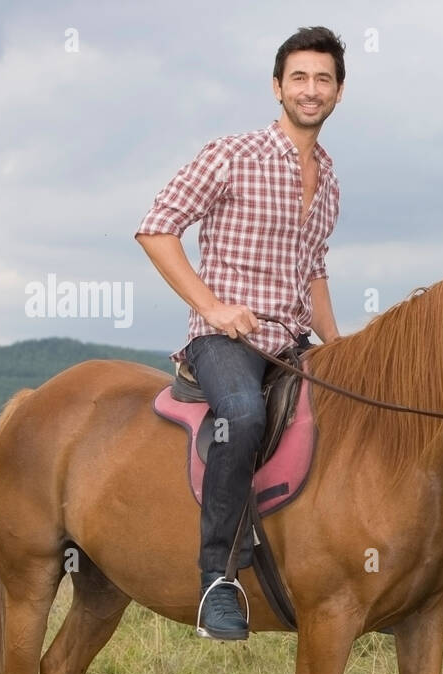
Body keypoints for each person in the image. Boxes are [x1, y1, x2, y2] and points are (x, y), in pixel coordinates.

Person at [136, 26, 345, 639]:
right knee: (244, 415)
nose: (311, 90)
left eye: (323, 79)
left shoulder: (329, 179)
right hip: (224, 342)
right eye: (300, 78)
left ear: (338, 92)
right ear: (277, 87)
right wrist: (216, 306)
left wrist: (342, 349)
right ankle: (218, 581)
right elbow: (156, 228)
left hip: (293, 344)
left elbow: (314, 273)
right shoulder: (232, 154)